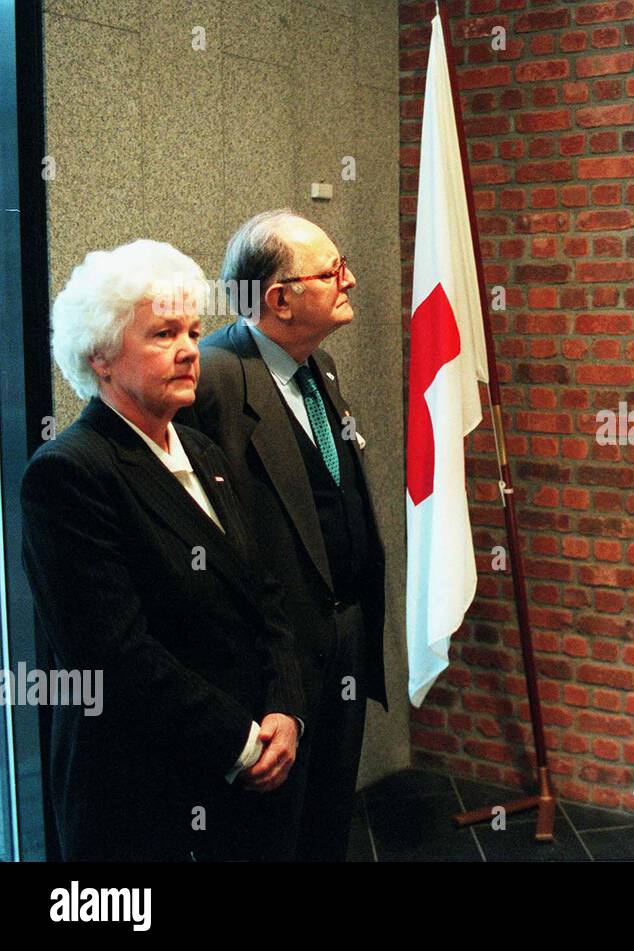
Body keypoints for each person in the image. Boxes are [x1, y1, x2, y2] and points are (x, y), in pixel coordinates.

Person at [21, 240, 306, 861]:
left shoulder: (203, 451)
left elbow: (266, 595)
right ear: (100, 357)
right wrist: (243, 742)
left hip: (249, 775)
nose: (188, 350)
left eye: (195, 330)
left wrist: (286, 710)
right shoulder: (69, 473)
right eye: (162, 333)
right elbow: (114, 654)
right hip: (144, 797)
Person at [179, 209, 388, 862]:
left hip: (342, 642)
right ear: (279, 299)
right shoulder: (210, 379)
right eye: (332, 271)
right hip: (273, 665)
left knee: (327, 823)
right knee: (269, 837)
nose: (348, 280)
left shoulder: (317, 364)